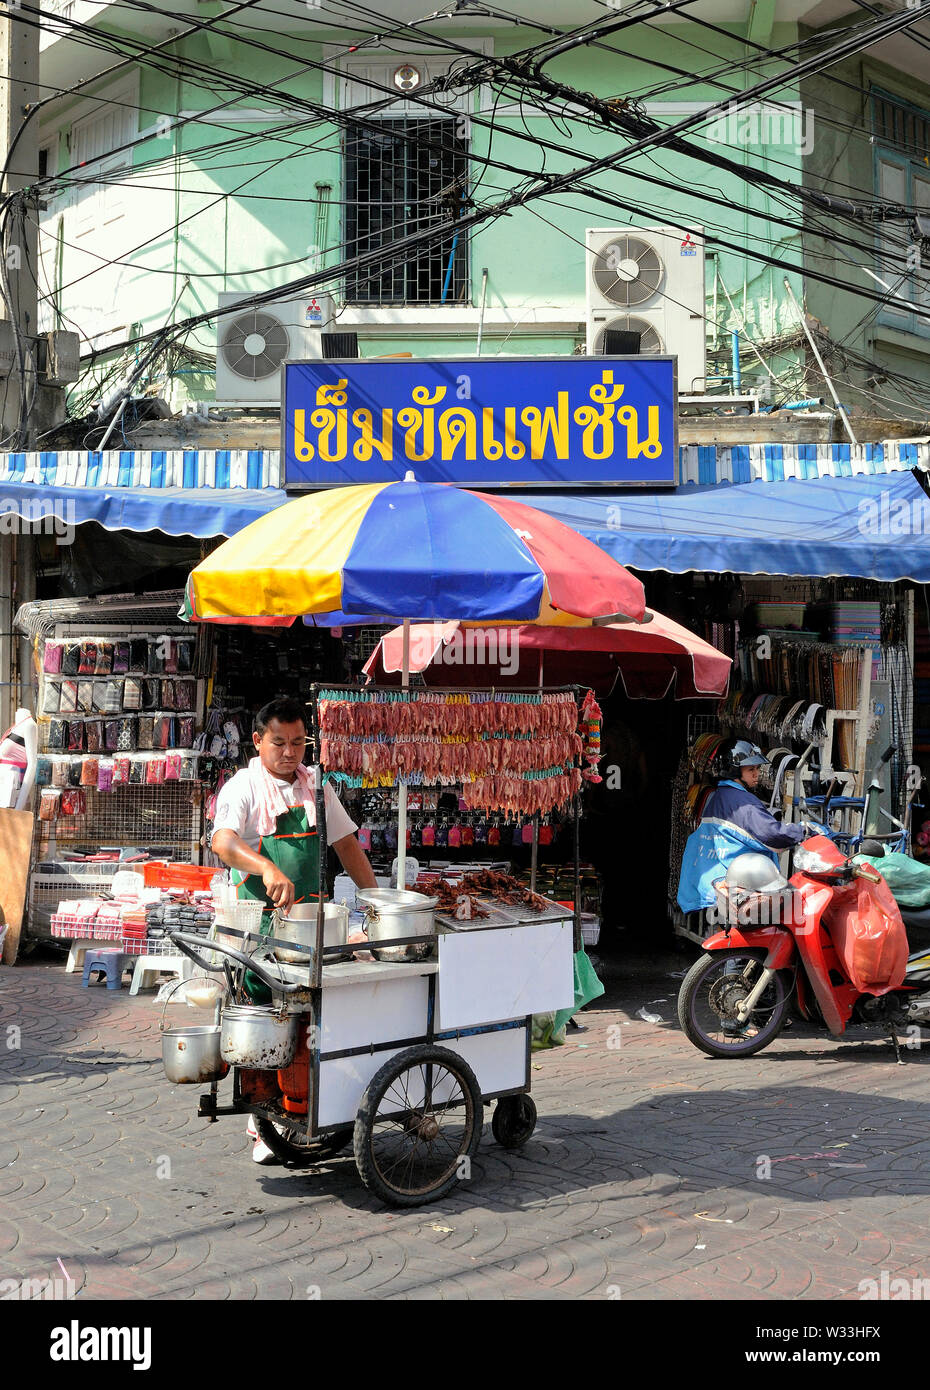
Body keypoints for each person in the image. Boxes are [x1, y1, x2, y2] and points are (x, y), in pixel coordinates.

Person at [211, 696, 377, 1164]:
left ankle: (310, 1108)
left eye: (298, 742)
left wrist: (377, 902)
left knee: (313, 1017)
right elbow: (222, 841)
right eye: (279, 743)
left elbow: (347, 846)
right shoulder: (242, 787)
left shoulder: (317, 788)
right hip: (260, 927)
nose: (289, 752)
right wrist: (264, 867)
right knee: (269, 1018)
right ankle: (263, 1119)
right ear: (258, 741)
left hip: (310, 924)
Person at [677, 739, 806, 915]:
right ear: (734, 771)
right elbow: (772, 835)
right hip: (733, 893)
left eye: (758, 769)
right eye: (750, 769)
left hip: (708, 890)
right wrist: (803, 831)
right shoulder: (742, 803)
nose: (757, 774)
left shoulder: (717, 797)